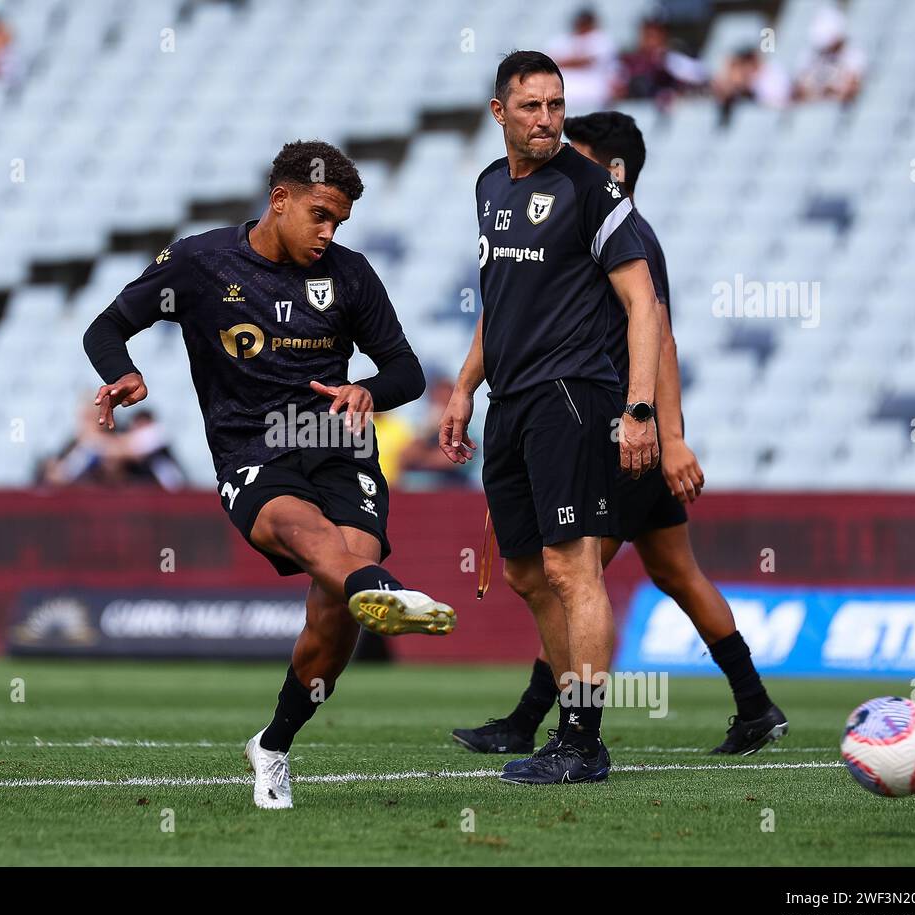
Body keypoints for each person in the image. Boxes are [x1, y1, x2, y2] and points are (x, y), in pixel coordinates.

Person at [83, 141, 456, 810]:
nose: (328, 233)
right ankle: (392, 595)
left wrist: (368, 389)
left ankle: (275, 743)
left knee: (339, 601)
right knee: (309, 536)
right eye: (319, 215)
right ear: (279, 199)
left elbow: (407, 370)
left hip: (339, 446)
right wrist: (123, 373)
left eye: (338, 222)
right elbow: (107, 326)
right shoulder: (201, 261)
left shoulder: (351, 274)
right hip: (252, 447)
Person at [451, 111, 788, 761]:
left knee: (571, 577)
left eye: (576, 150)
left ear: (612, 169)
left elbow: (657, 330)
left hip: (606, 427)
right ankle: (754, 704)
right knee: (673, 571)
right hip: (620, 426)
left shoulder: (625, 232)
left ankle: (545, 727)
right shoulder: (576, 223)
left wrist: (670, 434)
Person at [439, 52, 661, 786]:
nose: (547, 119)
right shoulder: (488, 184)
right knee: (525, 572)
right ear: (499, 111)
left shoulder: (591, 188)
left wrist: (639, 409)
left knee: (573, 568)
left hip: (572, 396)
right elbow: (498, 301)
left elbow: (643, 305)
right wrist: (466, 386)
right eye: (532, 106)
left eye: (557, 105)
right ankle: (567, 732)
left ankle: (582, 741)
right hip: (509, 401)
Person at [616, 17, 707, 105]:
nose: (651, 42)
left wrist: (667, 62)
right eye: (648, 36)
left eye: (656, 36)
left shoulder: (671, 59)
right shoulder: (629, 61)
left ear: (664, 37)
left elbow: (701, 75)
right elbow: (618, 89)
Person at [547, 8, 618, 111]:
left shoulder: (602, 39)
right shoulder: (561, 40)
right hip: (563, 94)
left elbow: (589, 61)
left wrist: (566, 61)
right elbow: (550, 63)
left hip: (593, 93)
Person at [794, 6, 865, 103]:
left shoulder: (854, 55)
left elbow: (850, 90)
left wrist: (826, 91)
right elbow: (800, 90)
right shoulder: (812, 55)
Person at [711, 46, 791, 124]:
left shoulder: (772, 78)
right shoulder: (752, 83)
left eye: (740, 67)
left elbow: (773, 108)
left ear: (749, 64)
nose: (740, 73)